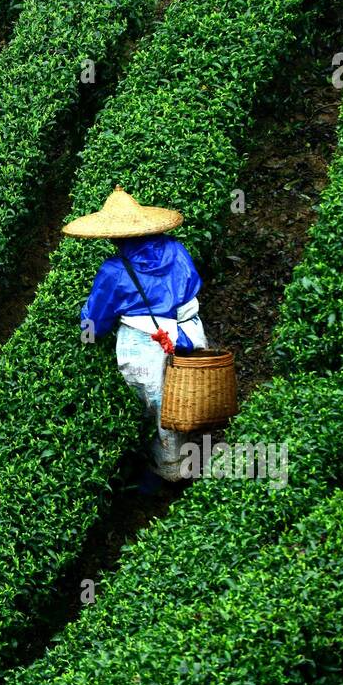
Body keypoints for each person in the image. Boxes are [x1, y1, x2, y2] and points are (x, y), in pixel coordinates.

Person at [62, 186, 207, 494]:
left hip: (148, 349)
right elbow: (191, 286)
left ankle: (166, 475)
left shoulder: (114, 271)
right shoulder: (177, 250)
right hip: (190, 334)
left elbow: (95, 320)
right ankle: (189, 456)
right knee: (186, 396)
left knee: (156, 410)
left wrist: (87, 338)